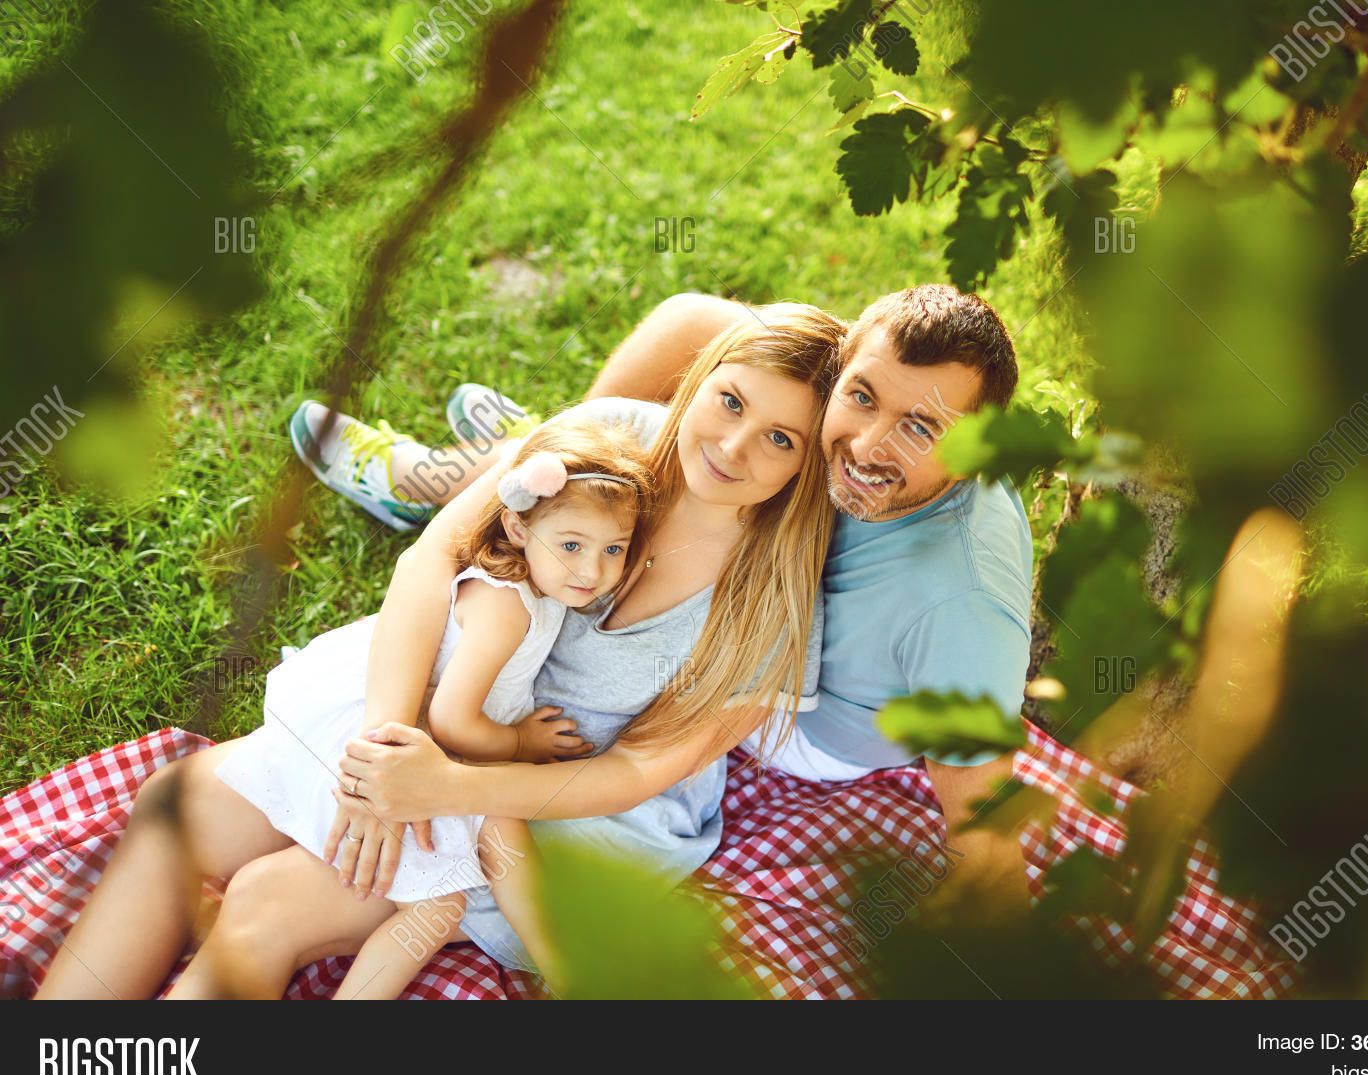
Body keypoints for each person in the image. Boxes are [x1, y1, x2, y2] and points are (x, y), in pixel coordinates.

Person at [35, 304, 842, 999]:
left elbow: (635, 773)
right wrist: (379, 756)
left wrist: (444, 785)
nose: (734, 446)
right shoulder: (611, 438)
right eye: (730, 401)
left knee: (264, 903)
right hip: (457, 715)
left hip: (563, 811)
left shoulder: (772, 602)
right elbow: (433, 558)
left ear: (809, 466)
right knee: (175, 807)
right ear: (701, 377)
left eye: (779, 439)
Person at [315, 286, 1036, 899]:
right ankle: (543, 480)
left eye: (919, 427)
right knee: (694, 325)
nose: (870, 445)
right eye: (862, 396)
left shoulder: (966, 607)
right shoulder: (831, 414)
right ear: (846, 368)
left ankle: (520, 471)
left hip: (802, 719)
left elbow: (986, 836)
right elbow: (432, 560)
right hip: (730, 528)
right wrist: (378, 752)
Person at [213, 418, 654, 997]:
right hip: (401, 730)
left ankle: (561, 965)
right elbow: (451, 720)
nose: (592, 570)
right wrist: (521, 744)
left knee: (472, 862)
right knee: (452, 889)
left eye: (613, 549)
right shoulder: (506, 608)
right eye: (571, 545)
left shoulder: (540, 587)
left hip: (432, 735)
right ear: (518, 528)